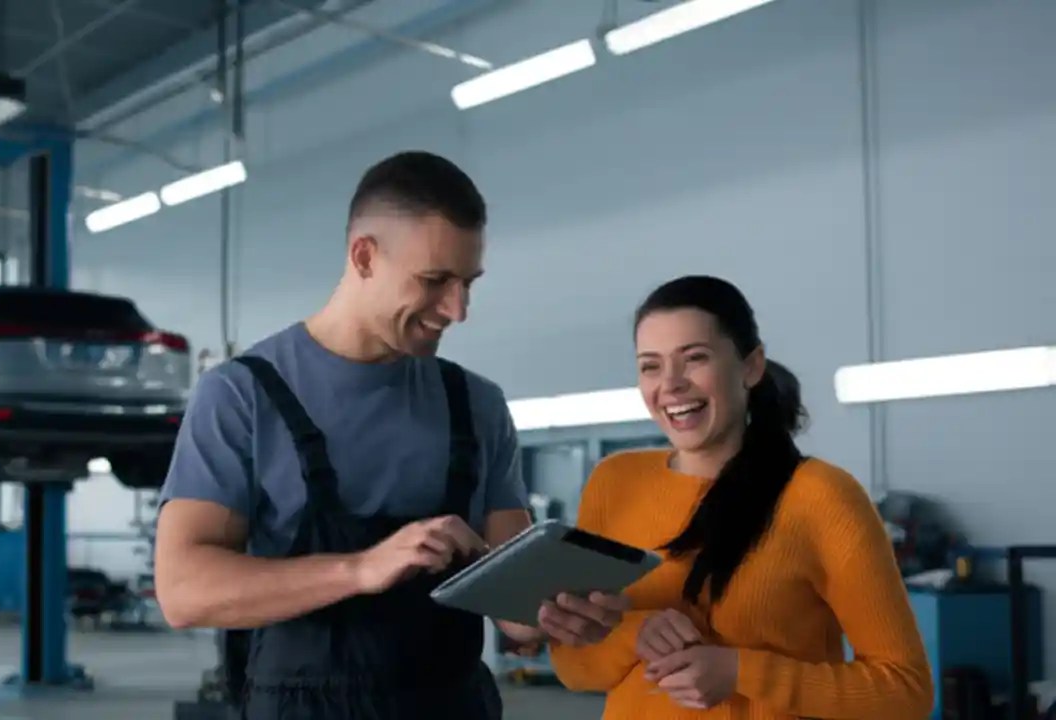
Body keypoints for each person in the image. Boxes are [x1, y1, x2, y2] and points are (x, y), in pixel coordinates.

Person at [154, 150, 630, 719]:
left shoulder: (476, 406)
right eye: (434, 281)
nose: (457, 309)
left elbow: (517, 611)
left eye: (468, 283)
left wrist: (560, 614)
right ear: (364, 257)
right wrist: (360, 569)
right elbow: (183, 592)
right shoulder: (241, 397)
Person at [547, 275, 934, 720]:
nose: (671, 384)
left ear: (751, 366)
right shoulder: (614, 482)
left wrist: (741, 672)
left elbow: (905, 691)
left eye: (695, 358)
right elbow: (573, 667)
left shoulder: (822, 497)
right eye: (650, 366)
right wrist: (635, 634)